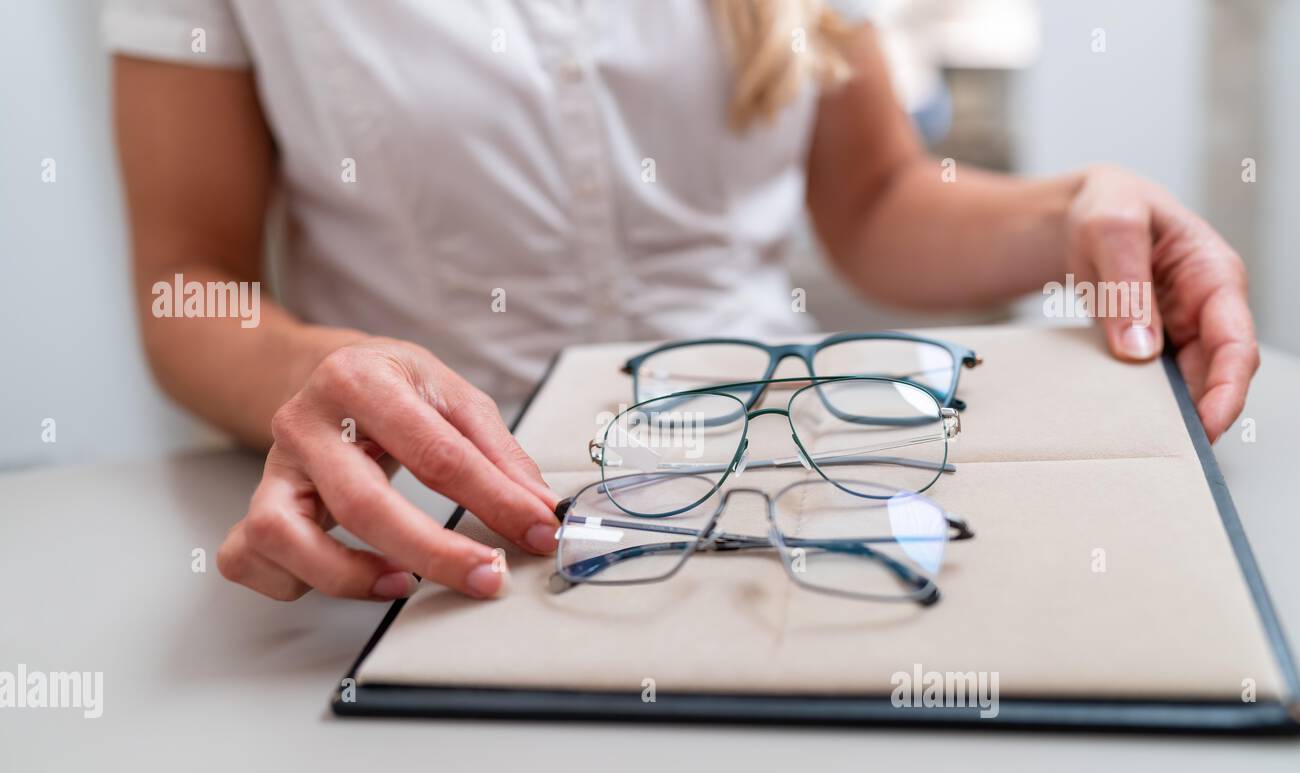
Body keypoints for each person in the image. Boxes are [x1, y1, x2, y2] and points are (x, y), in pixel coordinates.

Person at [106, 0, 1258, 603]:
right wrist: (331, 373)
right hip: (448, 531)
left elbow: (876, 200)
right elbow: (188, 285)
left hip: (799, 495)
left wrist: (1072, 217)